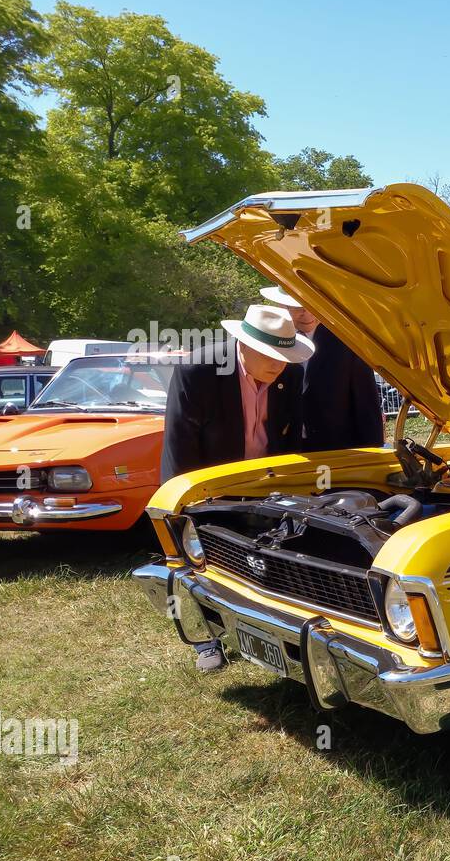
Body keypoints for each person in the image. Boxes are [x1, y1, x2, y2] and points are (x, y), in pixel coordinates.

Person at [161, 303, 314, 671]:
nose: (280, 363)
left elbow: (290, 436)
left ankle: (269, 630)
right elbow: (179, 444)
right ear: (243, 345)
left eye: (285, 355)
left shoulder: (288, 376)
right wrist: (181, 504)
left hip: (265, 485)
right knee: (197, 562)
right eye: (272, 355)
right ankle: (205, 641)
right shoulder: (197, 371)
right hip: (206, 483)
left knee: (259, 562)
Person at [261, 286, 384, 451]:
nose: (307, 314)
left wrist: (373, 453)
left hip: (338, 449)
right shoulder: (271, 341)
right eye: (298, 307)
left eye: (313, 305)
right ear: (283, 306)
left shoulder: (348, 342)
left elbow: (366, 403)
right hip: (287, 451)